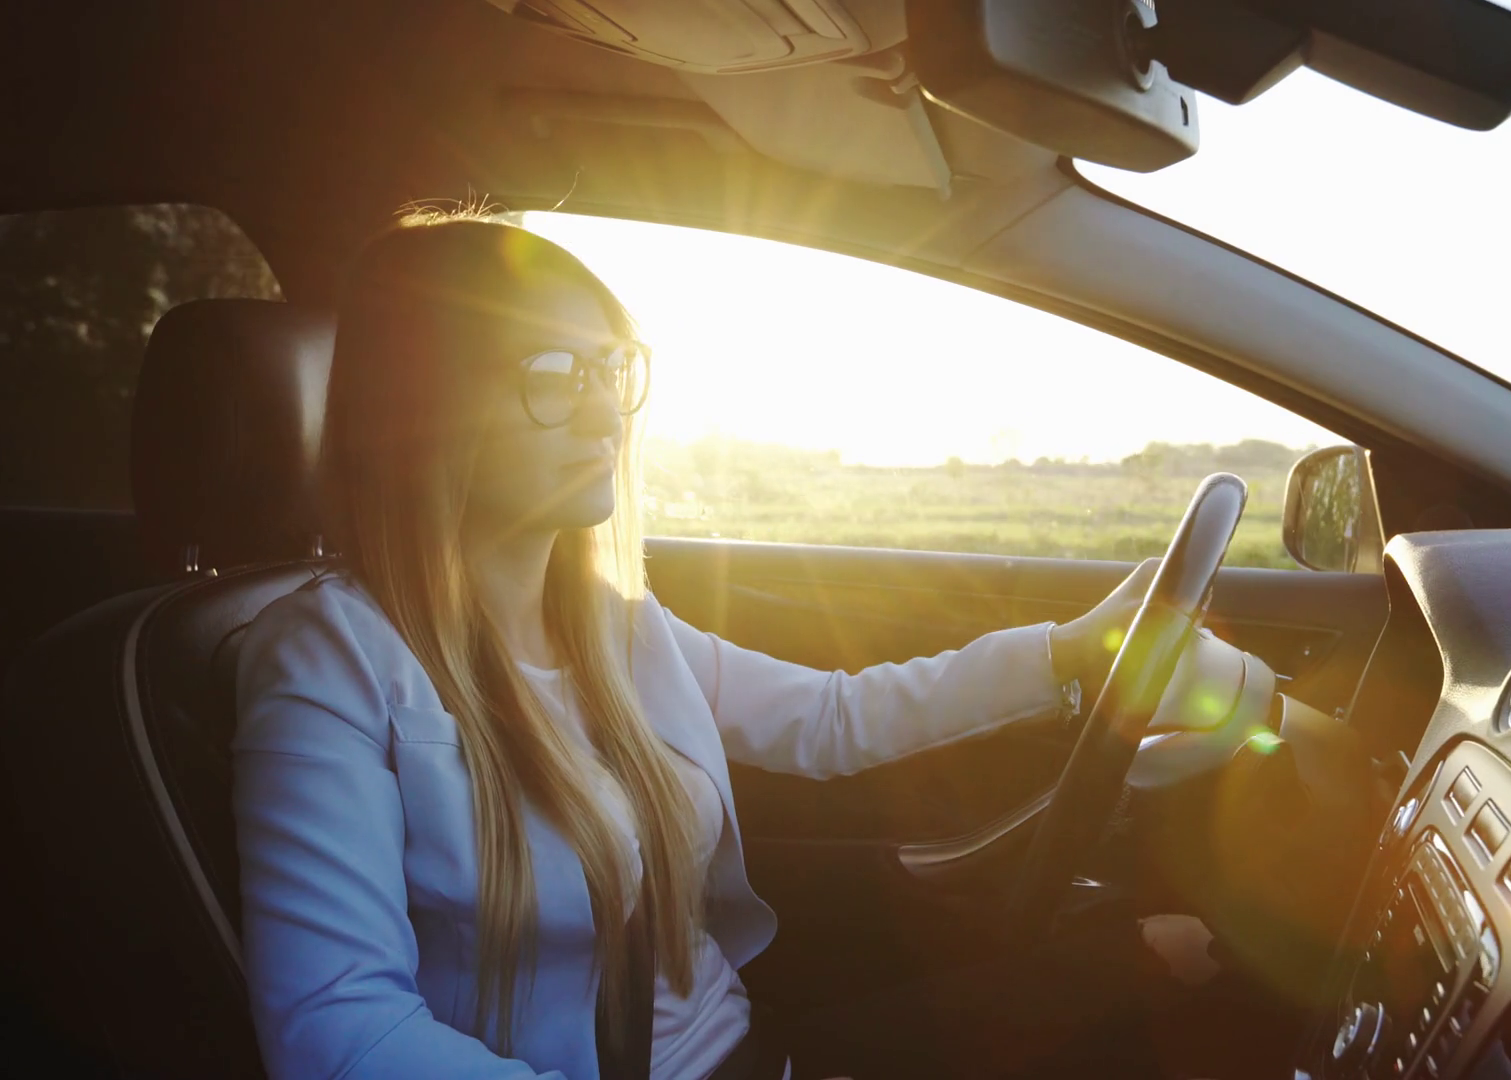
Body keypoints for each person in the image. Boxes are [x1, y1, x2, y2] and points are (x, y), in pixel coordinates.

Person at [231, 214, 1216, 1080]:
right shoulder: (329, 665)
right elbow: (341, 1033)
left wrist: (1070, 653)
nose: (605, 412)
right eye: (551, 375)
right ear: (423, 414)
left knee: (1166, 960)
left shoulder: (614, 622)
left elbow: (835, 718)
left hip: (758, 1046)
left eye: (612, 368)